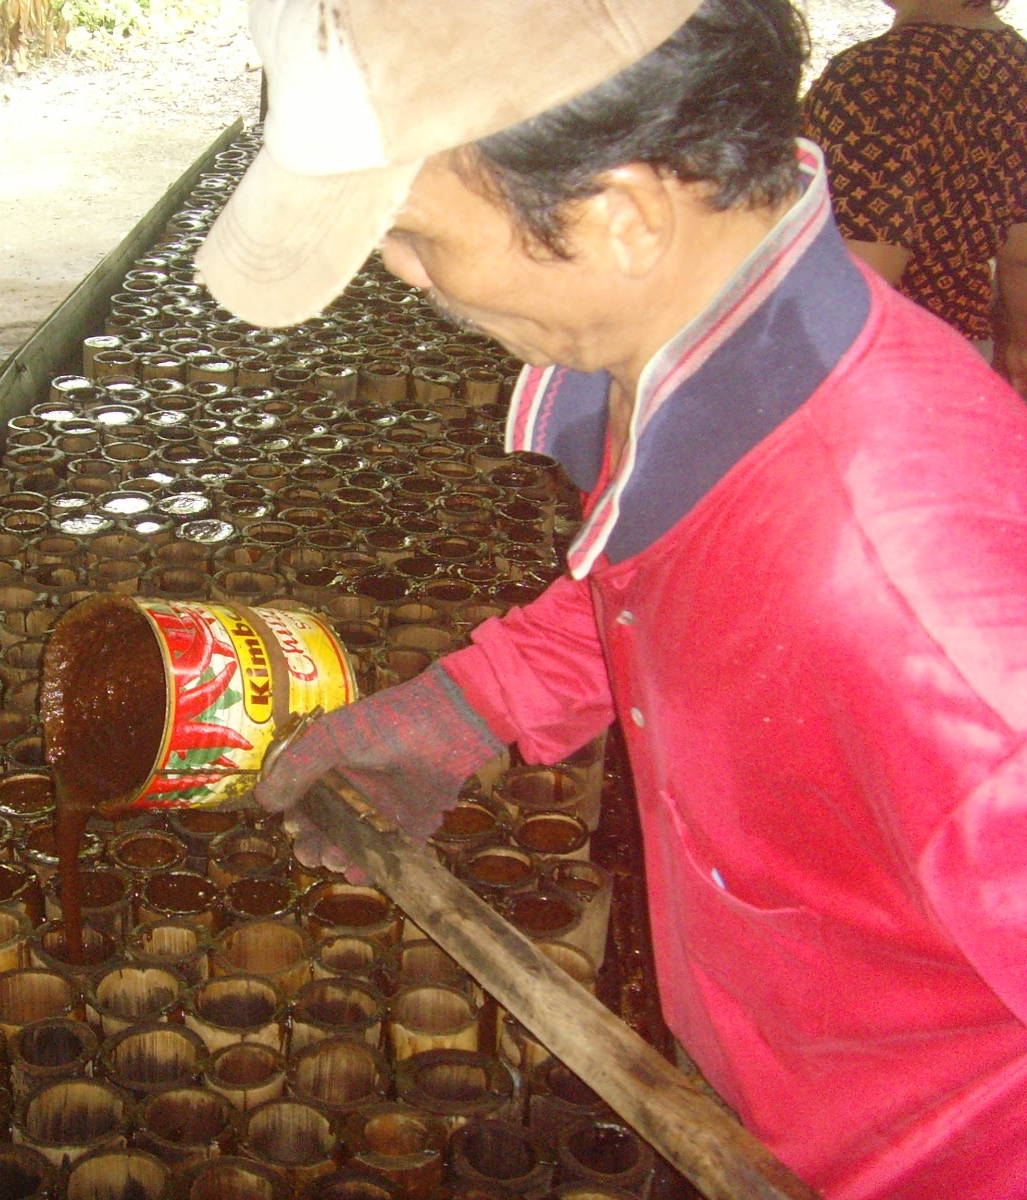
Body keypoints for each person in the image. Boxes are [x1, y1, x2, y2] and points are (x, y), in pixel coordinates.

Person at [195, 0, 1027, 1197]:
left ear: (620, 218)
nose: (397, 270)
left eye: (416, 231)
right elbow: (679, 571)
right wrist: (469, 706)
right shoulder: (722, 378)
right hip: (750, 1107)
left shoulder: (935, 612)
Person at [801, 0, 1027, 394]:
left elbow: (869, 268)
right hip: (977, 354)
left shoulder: (873, 76)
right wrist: (1018, 341)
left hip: (886, 366)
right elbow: (1019, 252)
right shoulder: (1016, 61)